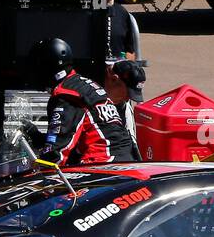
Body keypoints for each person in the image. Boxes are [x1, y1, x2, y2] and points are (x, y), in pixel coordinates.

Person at [30, 38, 139, 166]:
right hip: (125, 164)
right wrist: (34, 134)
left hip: (102, 166)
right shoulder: (84, 85)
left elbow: (55, 156)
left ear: (45, 68)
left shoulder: (67, 96)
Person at [102, 59, 146, 144]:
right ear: (114, 79)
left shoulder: (124, 106)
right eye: (127, 93)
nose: (126, 99)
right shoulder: (87, 94)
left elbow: (131, 141)